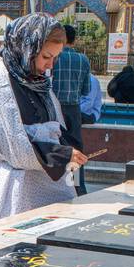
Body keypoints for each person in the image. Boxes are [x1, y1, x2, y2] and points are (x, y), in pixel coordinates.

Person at [0, 13, 87, 228]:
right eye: (46, 57)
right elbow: (13, 147)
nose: (50, 65)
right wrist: (62, 154)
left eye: (55, 58)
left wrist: (71, 152)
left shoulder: (37, 81)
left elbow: (55, 126)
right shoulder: (0, 84)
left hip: (47, 189)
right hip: (13, 195)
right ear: (28, 48)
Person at [51, 24, 92, 196]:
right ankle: (76, 187)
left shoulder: (54, 57)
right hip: (73, 110)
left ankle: (59, 188)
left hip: (54, 107)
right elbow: (86, 90)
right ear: (74, 40)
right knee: (75, 149)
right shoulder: (82, 60)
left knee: (57, 146)